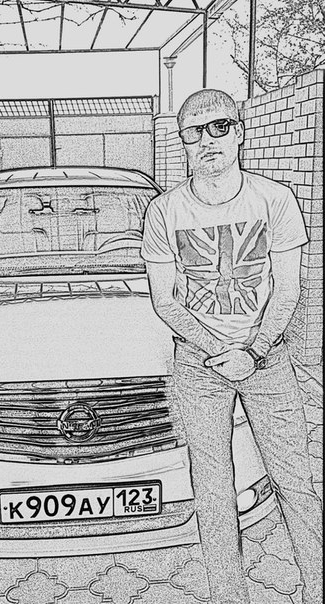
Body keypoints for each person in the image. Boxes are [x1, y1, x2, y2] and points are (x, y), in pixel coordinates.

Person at [141, 88, 322, 604]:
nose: (207, 140)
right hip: (199, 367)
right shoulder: (164, 211)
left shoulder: (274, 199)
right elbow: (164, 300)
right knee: (214, 490)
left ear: (239, 132)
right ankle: (228, 595)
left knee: (295, 480)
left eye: (219, 127)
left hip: (267, 361)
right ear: (183, 143)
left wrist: (253, 350)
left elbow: (288, 288)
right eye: (193, 133)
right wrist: (218, 349)